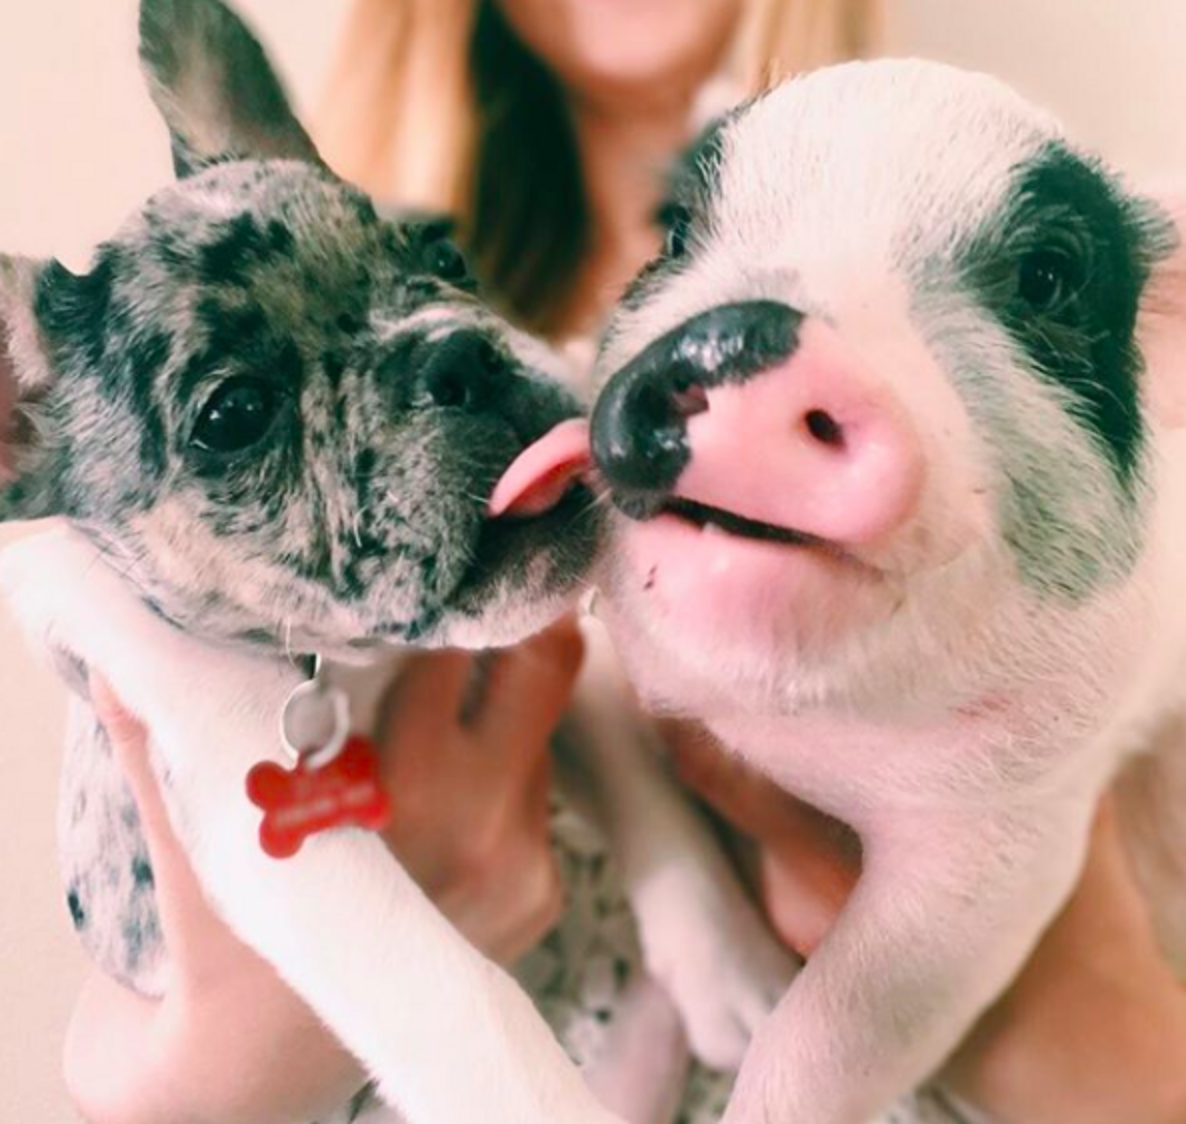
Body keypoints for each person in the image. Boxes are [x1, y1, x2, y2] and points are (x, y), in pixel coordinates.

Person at [65, 2, 1186, 1123]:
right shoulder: (233, 327)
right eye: (684, 233)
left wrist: (1054, 988)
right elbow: (125, 1025)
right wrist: (285, 1022)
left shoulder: (1040, 181)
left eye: (431, 268)